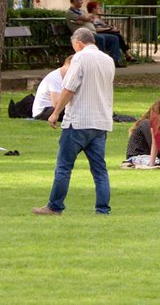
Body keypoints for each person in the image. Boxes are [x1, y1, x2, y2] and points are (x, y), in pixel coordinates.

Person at [34, 27, 116, 215]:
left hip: (78, 121)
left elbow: (69, 88)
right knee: (99, 170)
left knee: (63, 167)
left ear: (78, 43)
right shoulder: (108, 60)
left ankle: (55, 206)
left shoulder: (79, 58)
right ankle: (102, 209)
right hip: (100, 121)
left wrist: (56, 112)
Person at [66, 0, 125, 67]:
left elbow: (90, 19)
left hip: (92, 33)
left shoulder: (81, 11)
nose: (82, 1)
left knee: (114, 38)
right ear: (74, 1)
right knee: (100, 38)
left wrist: (85, 19)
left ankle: (116, 61)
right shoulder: (70, 12)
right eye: (80, 0)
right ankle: (102, 62)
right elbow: (87, 18)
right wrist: (88, 17)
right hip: (83, 36)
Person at [32, 55, 73, 121]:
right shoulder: (55, 78)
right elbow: (56, 104)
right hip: (43, 112)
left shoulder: (66, 78)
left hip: (51, 110)